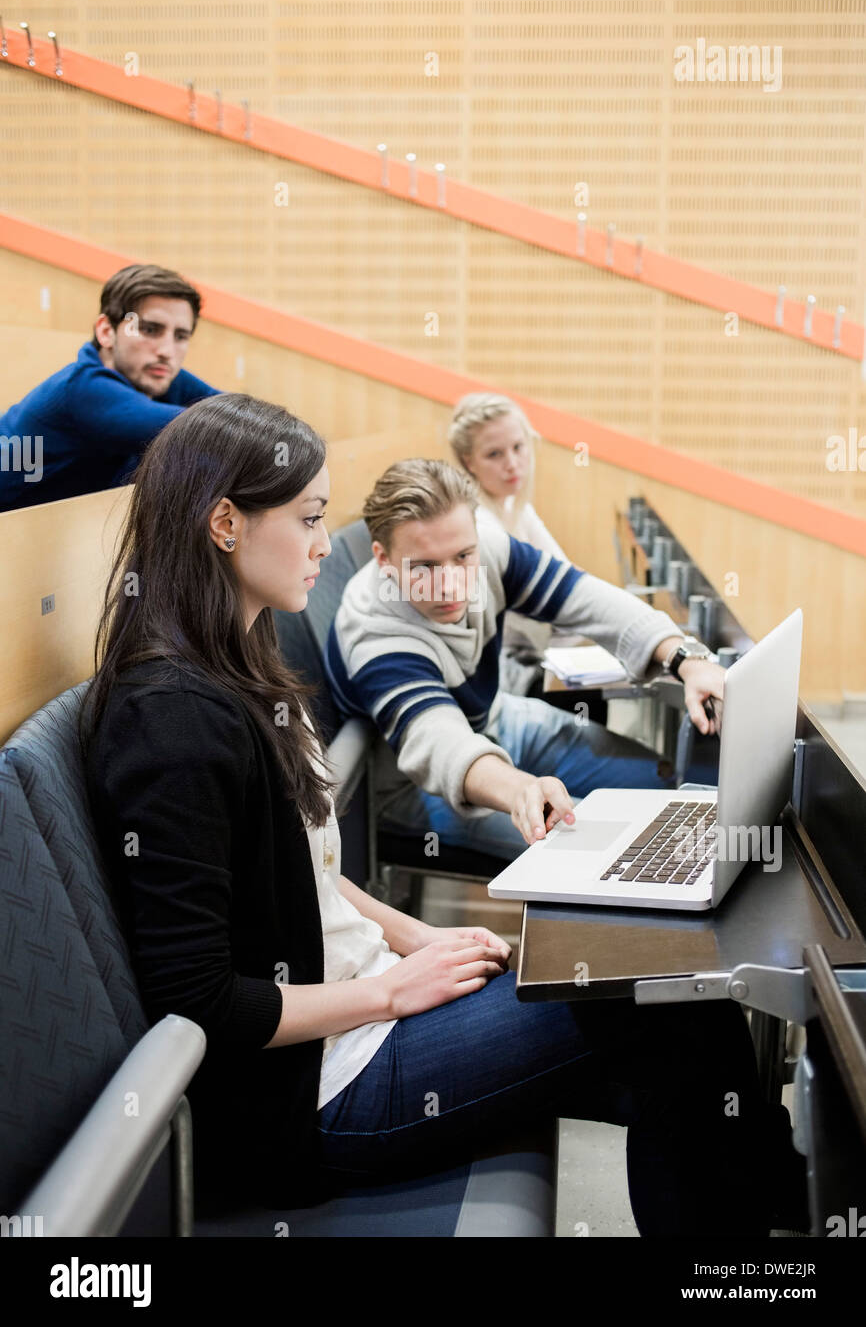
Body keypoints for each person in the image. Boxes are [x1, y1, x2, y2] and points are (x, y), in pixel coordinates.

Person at [80, 393, 807, 1235]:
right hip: (323, 1092)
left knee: (680, 1038)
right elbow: (200, 999)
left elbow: (309, 876)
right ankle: (783, 1212)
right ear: (224, 525)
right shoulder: (171, 717)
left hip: (357, 1011)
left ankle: (771, 1226)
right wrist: (392, 993)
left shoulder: (242, 664)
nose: (326, 545)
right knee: (671, 1010)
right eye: (311, 518)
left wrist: (415, 938)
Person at [324, 458, 720, 863]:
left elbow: (584, 597)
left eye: (463, 556)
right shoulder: (373, 631)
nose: (451, 583)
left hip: (500, 719)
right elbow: (441, 742)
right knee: (618, 847)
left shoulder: (486, 546)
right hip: (417, 786)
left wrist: (686, 658)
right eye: (425, 566)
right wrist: (519, 791)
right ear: (383, 558)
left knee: (670, 787)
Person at [0, 263, 219, 510]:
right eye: (149, 330)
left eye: (180, 336)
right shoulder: (84, 389)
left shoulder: (155, 372)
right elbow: (211, 433)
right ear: (106, 331)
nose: (167, 351)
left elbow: (238, 414)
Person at [449, 389, 572, 697]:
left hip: (527, 660)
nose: (513, 464)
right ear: (469, 461)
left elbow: (566, 577)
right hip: (496, 680)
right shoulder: (477, 523)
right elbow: (554, 601)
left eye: (519, 447)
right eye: (495, 454)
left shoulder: (513, 506)